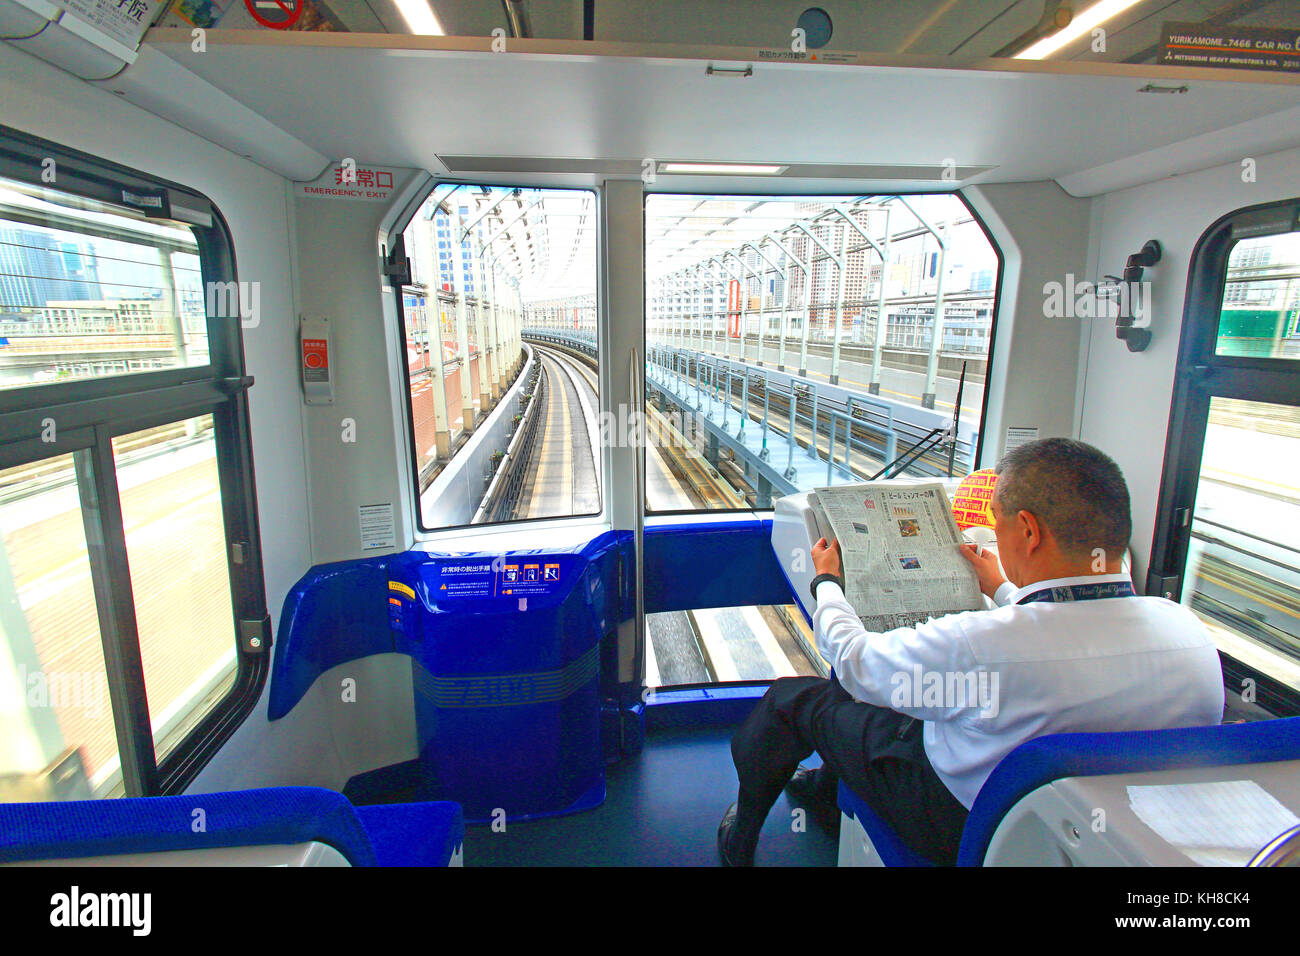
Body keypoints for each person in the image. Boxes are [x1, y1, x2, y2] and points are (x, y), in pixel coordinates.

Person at [718, 438, 1225, 866]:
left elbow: (853, 661)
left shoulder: (983, 643)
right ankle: (825, 793)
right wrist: (1004, 588)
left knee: (794, 700)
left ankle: (743, 835)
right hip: (1094, 836)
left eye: (1000, 524)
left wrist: (827, 584)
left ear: (1028, 530)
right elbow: (1071, 632)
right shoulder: (1189, 631)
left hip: (959, 820)